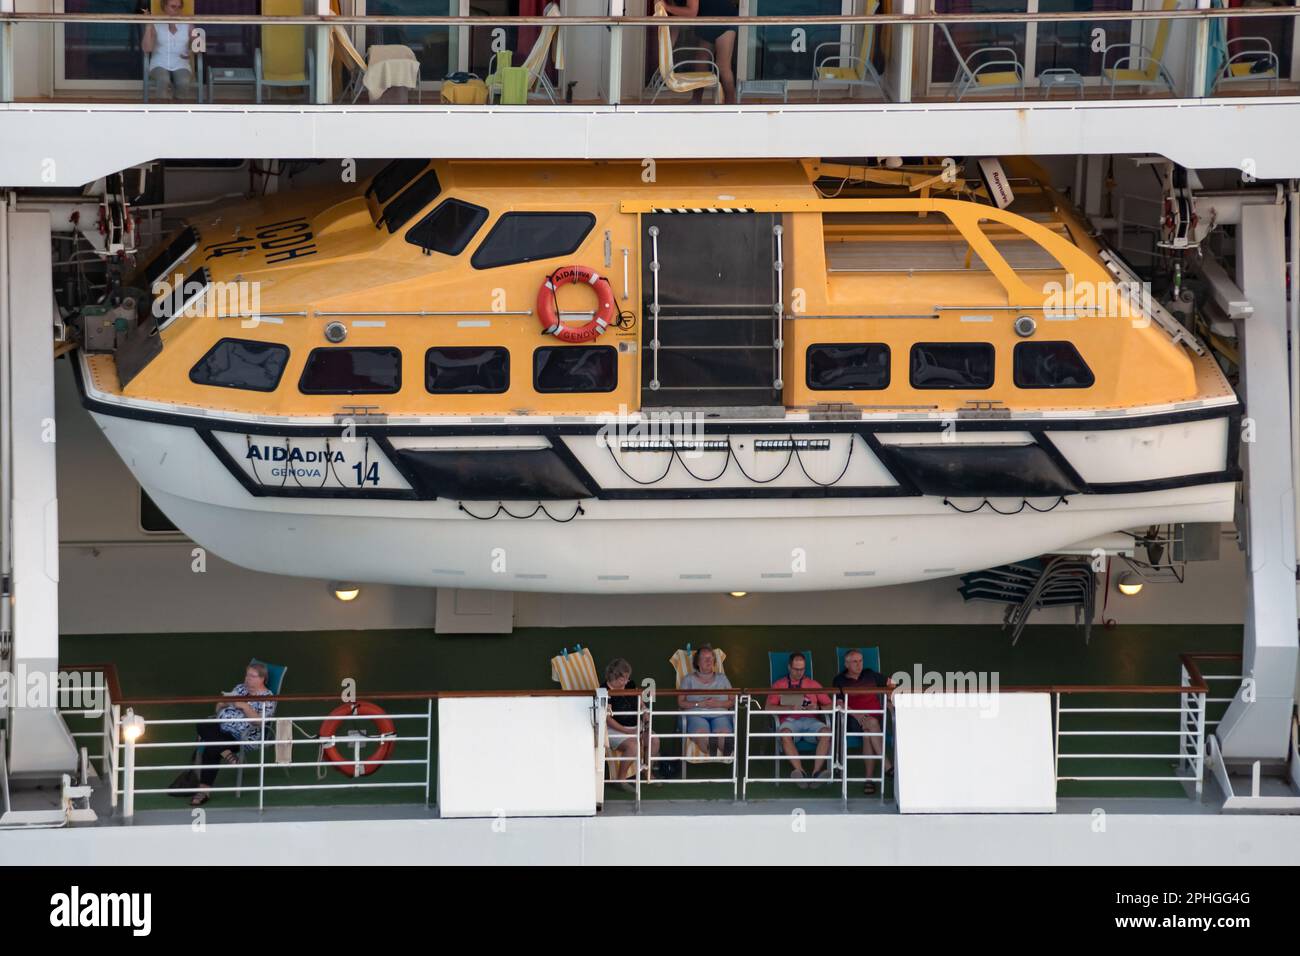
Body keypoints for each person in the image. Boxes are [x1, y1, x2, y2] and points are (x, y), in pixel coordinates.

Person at [188, 662, 277, 806]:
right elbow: (217, 709)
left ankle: (204, 791)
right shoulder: (240, 688)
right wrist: (222, 703)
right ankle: (228, 754)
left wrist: (244, 706)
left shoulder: (268, 698)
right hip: (221, 729)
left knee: (212, 747)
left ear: (263, 679)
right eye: (247, 675)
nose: (248, 679)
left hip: (243, 736)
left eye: (252, 676)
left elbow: (259, 722)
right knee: (203, 723)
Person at [766, 652, 833, 786]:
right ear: (789, 667)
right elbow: (768, 708)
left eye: (802, 669)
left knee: (826, 732)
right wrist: (790, 708)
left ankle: (816, 773)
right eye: (796, 669)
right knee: (784, 734)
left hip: (811, 721)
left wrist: (818, 708)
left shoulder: (813, 684)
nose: (799, 672)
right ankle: (800, 772)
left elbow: (831, 705)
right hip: (789, 722)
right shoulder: (779, 685)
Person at [833, 649, 891, 794]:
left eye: (860, 661)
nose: (859, 665)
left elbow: (891, 683)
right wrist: (858, 715)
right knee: (869, 725)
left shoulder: (870, 674)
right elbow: (839, 703)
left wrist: (889, 699)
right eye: (854, 662)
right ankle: (887, 766)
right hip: (853, 719)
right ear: (847, 664)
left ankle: (869, 780)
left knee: (868, 731)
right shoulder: (839, 680)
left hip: (876, 715)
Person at [660, 0, 738, 104]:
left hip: (724, 16)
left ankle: (732, 106)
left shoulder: (667, 4)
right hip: (706, 18)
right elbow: (676, 22)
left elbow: (691, 12)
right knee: (701, 59)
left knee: (723, 66)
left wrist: (667, 7)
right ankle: (696, 100)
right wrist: (666, 51)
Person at [602, 657, 660, 787]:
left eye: (627, 678)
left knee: (654, 739)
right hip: (614, 730)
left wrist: (645, 711)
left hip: (635, 727)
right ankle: (620, 780)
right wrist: (627, 731)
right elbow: (608, 719)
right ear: (614, 677)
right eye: (623, 678)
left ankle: (647, 772)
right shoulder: (604, 690)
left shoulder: (630, 685)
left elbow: (641, 703)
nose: (626, 681)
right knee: (634, 745)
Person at [679, 645, 734, 758]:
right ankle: (710, 746)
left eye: (711, 658)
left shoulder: (722, 678)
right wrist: (699, 704)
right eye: (704, 658)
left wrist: (718, 704)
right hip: (696, 714)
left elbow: (732, 701)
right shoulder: (688, 679)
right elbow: (681, 703)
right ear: (697, 662)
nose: (709, 661)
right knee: (702, 733)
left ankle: (725, 747)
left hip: (720, 714)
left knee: (722, 733)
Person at [141, 0, 195, 102]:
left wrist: (191, 51)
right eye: (173, 6)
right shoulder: (156, 24)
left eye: (179, 7)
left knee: (183, 81)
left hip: (181, 63)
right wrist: (148, 26)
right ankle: (162, 110)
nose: (177, 10)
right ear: (164, 7)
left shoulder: (188, 24)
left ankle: (178, 109)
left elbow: (198, 44)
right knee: (163, 80)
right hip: (159, 63)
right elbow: (147, 48)